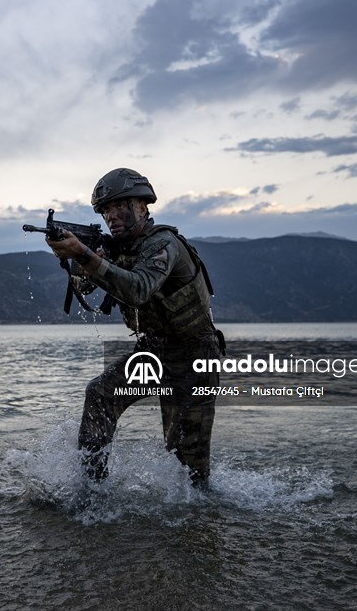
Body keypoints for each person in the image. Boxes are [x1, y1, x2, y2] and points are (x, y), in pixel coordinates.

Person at [44, 167, 223, 486]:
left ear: (143, 205)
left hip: (195, 356)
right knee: (100, 395)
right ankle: (91, 493)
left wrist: (84, 254)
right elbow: (82, 288)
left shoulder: (162, 244)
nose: (111, 216)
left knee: (187, 464)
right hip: (152, 352)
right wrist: (78, 259)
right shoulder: (118, 250)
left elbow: (138, 288)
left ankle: (201, 523)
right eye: (106, 210)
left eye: (119, 206)